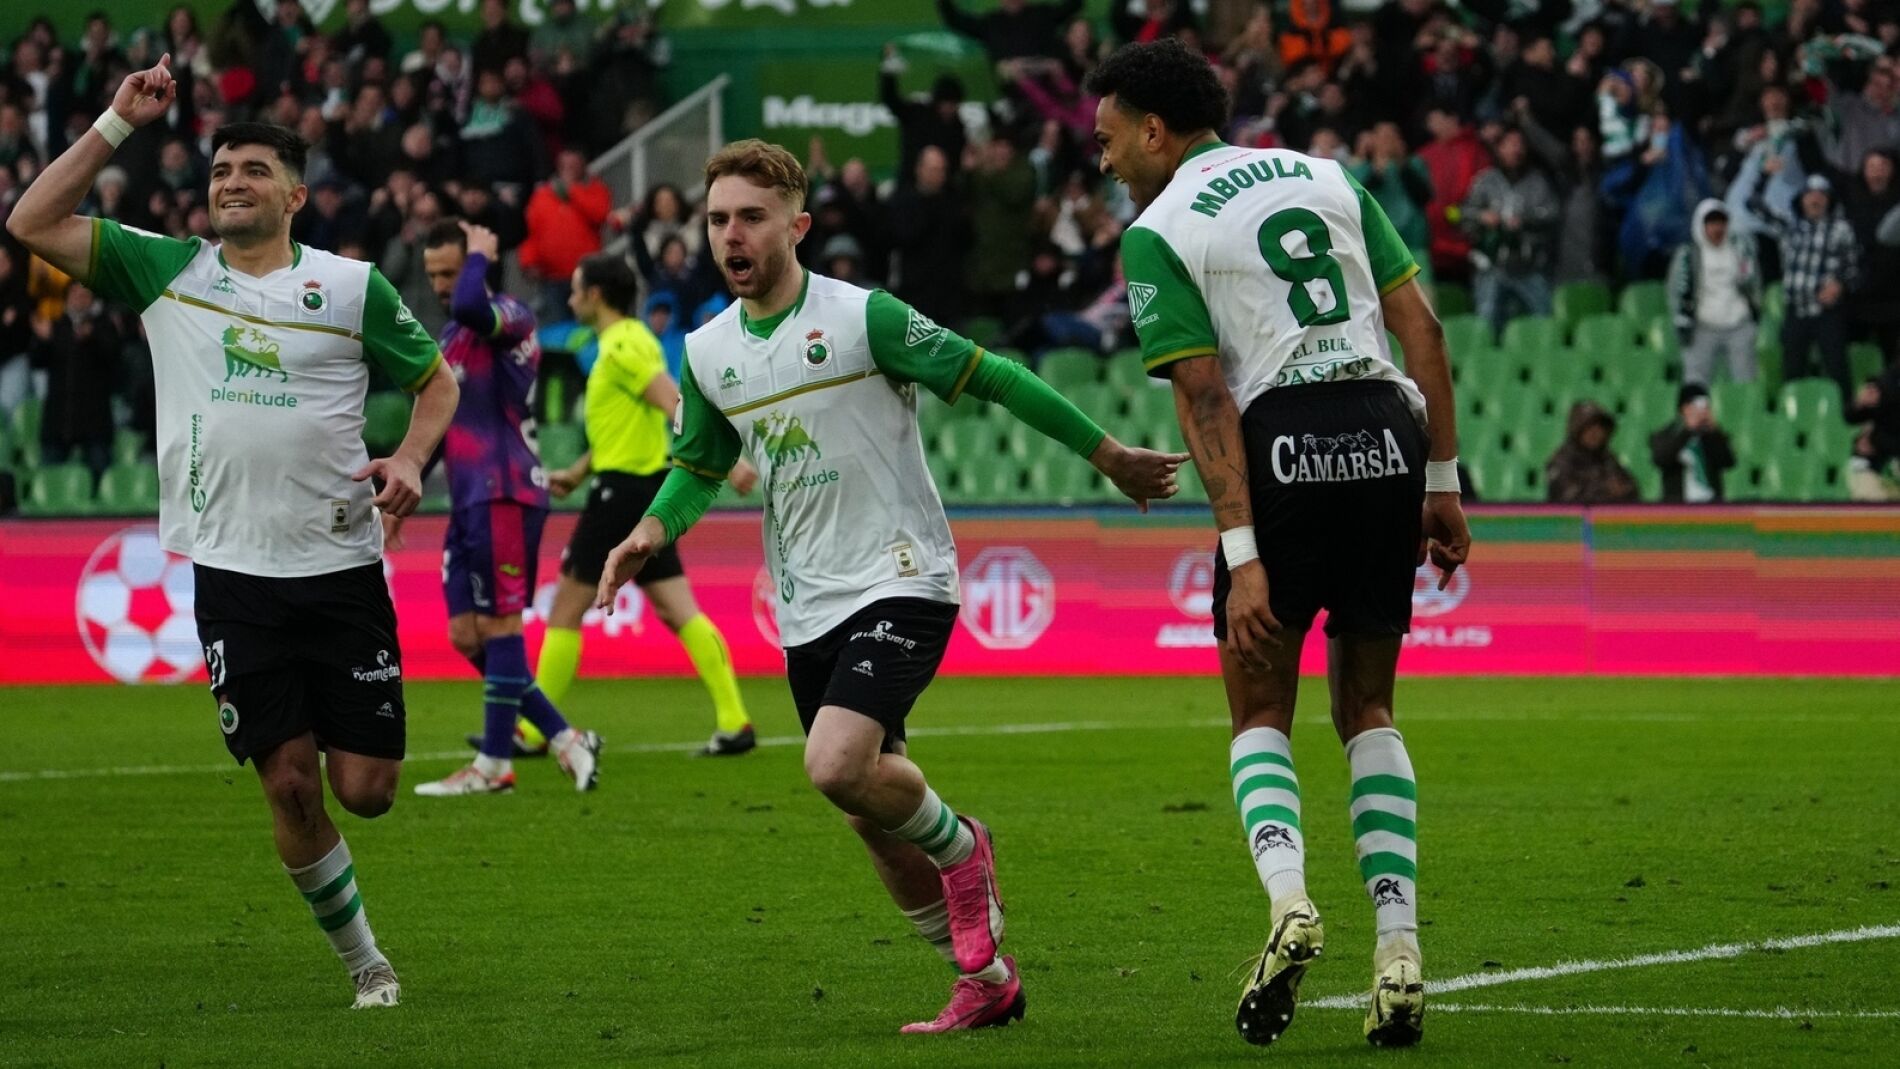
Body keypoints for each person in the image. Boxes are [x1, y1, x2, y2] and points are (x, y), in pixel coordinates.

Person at [594, 139, 1183, 1033]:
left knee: (834, 762)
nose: (730, 235)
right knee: (865, 807)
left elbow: (994, 376)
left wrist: (1108, 456)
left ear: (799, 224)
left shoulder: (865, 317)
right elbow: (700, 463)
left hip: (901, 576)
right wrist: (651, 527)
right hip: (804, 603)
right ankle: (982, 977)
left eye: (751, 216)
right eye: (717, 219)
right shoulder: (708, 350)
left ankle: (966, 847)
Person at [6, 57, 459, 1008]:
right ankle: (366, 962)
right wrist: (118, 123)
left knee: (367, 789)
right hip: (234, 577)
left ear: (294, 194)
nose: (231, 183)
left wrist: (413, 458)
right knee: (292, 785)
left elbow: (437, 383)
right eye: (220, 171)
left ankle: (362, 897)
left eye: (253, 170)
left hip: (340, 567)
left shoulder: (350, 288)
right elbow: (30, 221)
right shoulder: (169, 271)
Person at [1087, 38, 1469, 1049]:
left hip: (1284, 441)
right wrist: (1441, 484)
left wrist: (1245, 554)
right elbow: (1421, 331)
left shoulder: (1158, 227)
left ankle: (1290, 905)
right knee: (1368, 703)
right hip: (1390, 435)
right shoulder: (1330, 177)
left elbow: (1205, 393)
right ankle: (1399, 944)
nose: (1106, 160)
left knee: (1260, 706)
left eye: (1110, 138)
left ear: (1155, 130)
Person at [399, 219, 602, 795]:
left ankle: (493, 766)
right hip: (467, 500)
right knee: (467, 635)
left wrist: (481, 261)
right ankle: (565, 737)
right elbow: (435, 428)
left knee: (501, 625)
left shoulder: (508, 316)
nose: (441, 285)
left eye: (449, 270)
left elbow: (468, 302)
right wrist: (404, 489)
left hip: (507, 488)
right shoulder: (450, 343)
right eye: (432, 274)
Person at [535, 252, 759, 757]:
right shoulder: (626, 342)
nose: (570, 298)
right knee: (679, 610)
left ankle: (531, 731)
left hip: (622, 492)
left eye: (575, 288)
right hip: (638, 487)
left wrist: (726, 461)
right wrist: (577, 470)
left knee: (566, 609)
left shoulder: (621, 345)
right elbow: (627, 423)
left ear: (594, 294)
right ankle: (734, 721)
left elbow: (671, 401)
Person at [1756, 173, 1861, 403]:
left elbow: (1855, 271)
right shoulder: (1790, 227)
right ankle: (1792, 420)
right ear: (1801, 199)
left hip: (1827, 312)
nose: (1815, 199)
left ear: (1829, 200)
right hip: (1796, 311)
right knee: (1792, 370)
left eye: (1821, 195)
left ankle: (1846, 419)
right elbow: (1753, 203)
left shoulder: (1841, 229)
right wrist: (1765, 175)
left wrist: (1840, 285)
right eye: (1810, 194)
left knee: (1837, 369)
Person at [1461, 127, 1559, 339]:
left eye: (1520, 145)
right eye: (1510, 144)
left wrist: (1524, 221)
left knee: (1544, 320)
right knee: (1486, 324)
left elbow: (1552, 215)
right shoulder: (1486, 181)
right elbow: (1463, 214)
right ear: (1499, 148)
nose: (1516, 150)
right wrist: (1483, 217)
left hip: (1529, 266)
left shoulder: (1537, 182)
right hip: (1493, 264)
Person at [1667, 200, 1761, 387]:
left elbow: (1754, 283)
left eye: (1721, 223)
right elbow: (1675, 292)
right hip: (1702, 326)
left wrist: (1755, 311)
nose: (1717, 228)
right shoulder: (1687, 255)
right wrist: (1682, 322)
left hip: (1738, 324)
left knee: (1745, 381)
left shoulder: (1741, 250)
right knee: (1696, 382)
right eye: (1711, 223)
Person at [1649, 383, 1737, 503]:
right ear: (1685, 408)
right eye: (1697, 406)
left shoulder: (1711, 436)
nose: (1703, 411)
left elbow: (1728, 461)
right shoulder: (1665, 435)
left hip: (1711, 503)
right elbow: (1660, 459)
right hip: (1679, 504)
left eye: (1706, 406)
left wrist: (1714, 432)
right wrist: (1688, 431)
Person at [1545, 400, 1639, 503]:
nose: (1595, 434)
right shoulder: (1562, 461)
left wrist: (1623, 491)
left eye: (1600, 428)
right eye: (1589, 428)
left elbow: (1631, 489)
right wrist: (1606, 492)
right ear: (1578, 430)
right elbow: (1567, 498)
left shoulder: (1608, 459)